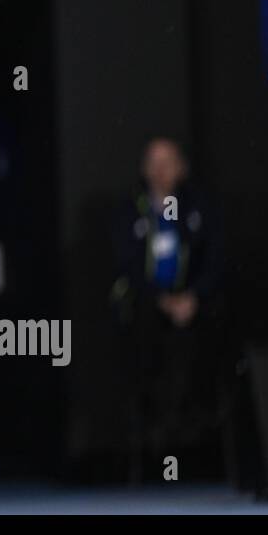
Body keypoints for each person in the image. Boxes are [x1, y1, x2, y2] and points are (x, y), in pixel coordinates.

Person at [109, 136, 223, 473]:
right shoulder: (130, 208)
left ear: (182, 168)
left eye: (167, 162)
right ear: (144, 169)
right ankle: (153, 441)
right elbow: (126, 264)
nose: (160, 172)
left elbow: (216, 258)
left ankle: (187, 440)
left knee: (196, 347)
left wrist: (194, 297)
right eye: (153, 164)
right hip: (146, 307)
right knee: (146, 346)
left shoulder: (199, 207)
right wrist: (160, 300)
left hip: (193, 306)